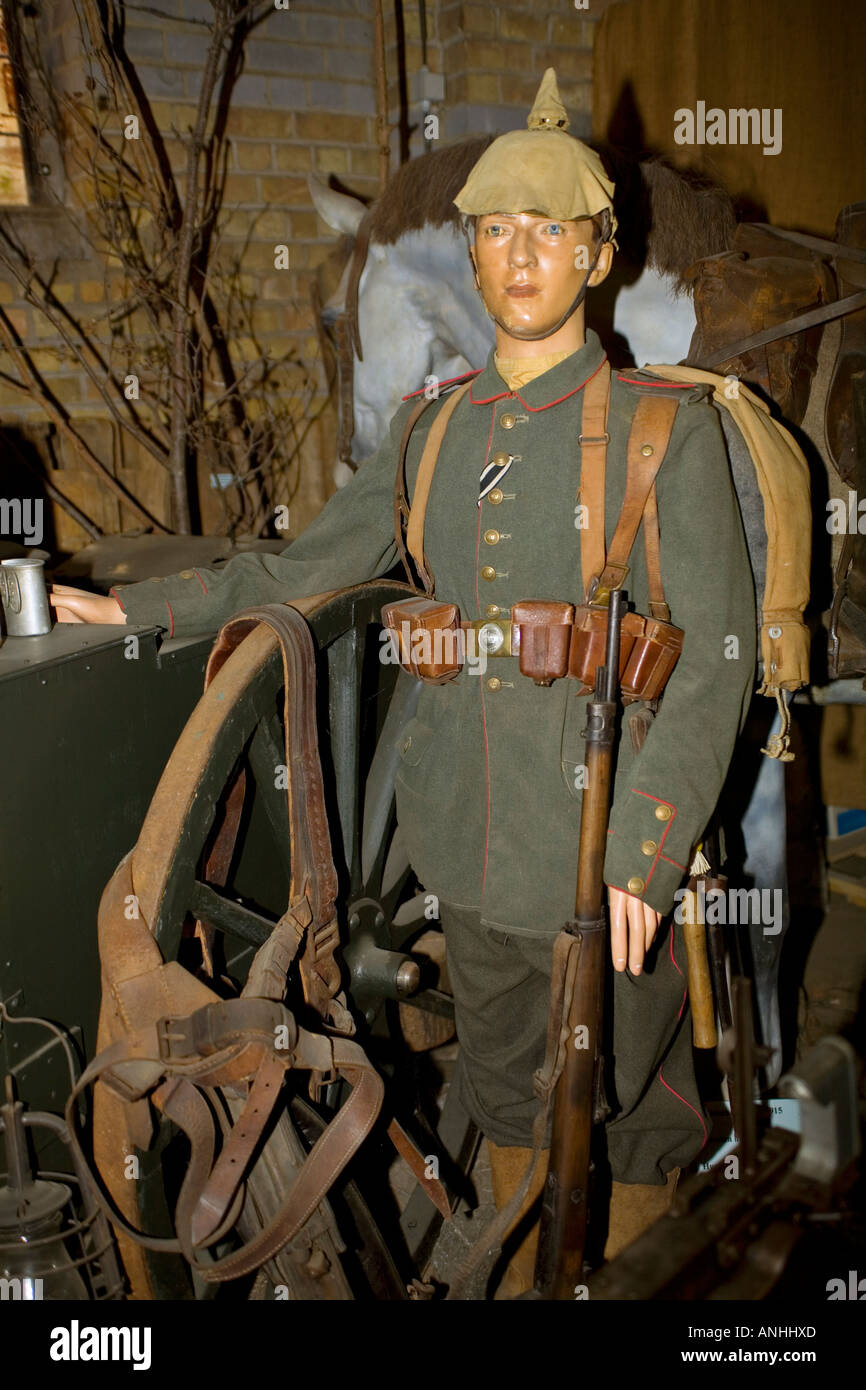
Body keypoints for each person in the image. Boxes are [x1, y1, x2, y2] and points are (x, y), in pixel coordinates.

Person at [52, 71, 756, 1296]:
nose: (516, 254)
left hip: (599, 845)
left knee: (631, 1107)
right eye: (493, 231)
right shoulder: (431, 433)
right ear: (471, 256)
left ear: (595, 257)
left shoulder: (659, 432)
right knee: (503, 1095)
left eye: (547, 230)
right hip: (461, 844)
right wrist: (141, 608)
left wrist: (649, 844)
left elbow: (720, 653)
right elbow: (303, 565)